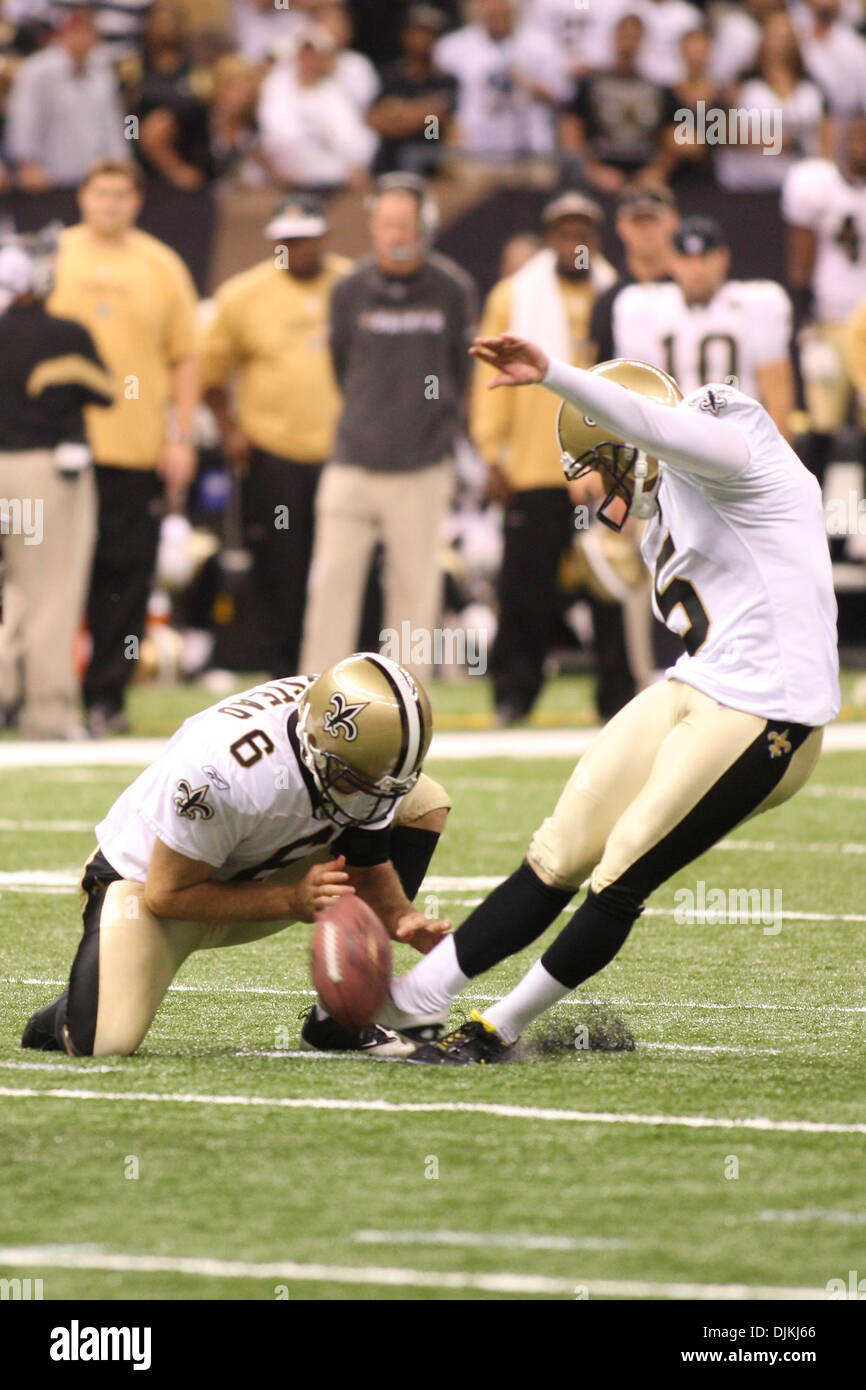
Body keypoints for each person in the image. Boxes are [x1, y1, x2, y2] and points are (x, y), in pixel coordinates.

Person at [373, 333, 838, 1063]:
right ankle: (412, 1000)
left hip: (771, 711)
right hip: (699, 684)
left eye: (602, 465)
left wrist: (555, 375)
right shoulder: (663, 521)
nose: (601, 490)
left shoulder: (736, 446)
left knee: (621, 867)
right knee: (559, 850)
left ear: (629, 438)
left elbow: (661, 426)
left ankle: (500, 1027)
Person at [21, 653, 453, 1058]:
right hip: (146, 887)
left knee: (423, 801)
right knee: (102, 1042)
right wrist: (290, 901)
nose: (366, 797)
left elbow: (366, 864)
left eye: (379, 785)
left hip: (256, 865)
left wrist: (400, 918)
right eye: (352, 780)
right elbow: (166, 894)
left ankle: (340, 1020)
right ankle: (81, 998)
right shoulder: (226, 771)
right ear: (314, 743)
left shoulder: (352, 751)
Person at [300, 174, 477, 683]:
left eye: (405, 224)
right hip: (352, 459)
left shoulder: (451, 289)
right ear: (373, 227)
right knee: (331, 587)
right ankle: (313, 700)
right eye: (386, 224)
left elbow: (457, 373)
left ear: (425, 226)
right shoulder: (349, 290)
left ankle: (404, 710)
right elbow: (342, 368)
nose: (395, 234)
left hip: (422, 466)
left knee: (414, 597)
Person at [49, 158, 199, 737]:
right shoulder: (52, 257)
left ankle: (106, 697)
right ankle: (39, 693)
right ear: (82, 196)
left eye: (121, 193)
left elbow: (185, 356)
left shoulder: (162, 265)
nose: (109, 203)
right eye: (99, 191)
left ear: (137, 201)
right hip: (56, 447)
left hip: (135, 449)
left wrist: (180, 436)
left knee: (123, 581)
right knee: (45, 579)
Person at [470, 191, 616, 724]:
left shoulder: (615, 293)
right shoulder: (514, 295)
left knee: (611, 586)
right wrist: (492, 453)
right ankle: (514, 694)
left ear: (595, 239)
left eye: (584, 232)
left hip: (603, 470)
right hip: (533, 465)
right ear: (551, 238)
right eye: (564, 232)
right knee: (524, 591)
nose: (574, 242)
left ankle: (617, 697)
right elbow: (489, 371)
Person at [201, 194, 352, 676]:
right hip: (274, 454)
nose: (296, 248)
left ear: (323, 237)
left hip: (347, 454)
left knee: (344, 570)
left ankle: (345, 669)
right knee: (279, 568)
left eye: (305, 239)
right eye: (287, 240)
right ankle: (283, 675)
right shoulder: (242, 295)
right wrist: (232, 431)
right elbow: (211, 374)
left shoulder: (352, 286)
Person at [0, 224, 114, 738]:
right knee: (49, 593)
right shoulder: (65, 334)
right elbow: (107, 389)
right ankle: (47, 711)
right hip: (44, 474)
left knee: (12, 592)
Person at [611, 215, 795, 439]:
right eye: (687, 259)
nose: (696, 269)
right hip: (672, 444)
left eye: (705, 258)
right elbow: (631, 394)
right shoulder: (639, 306)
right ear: (671, 260)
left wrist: (778, 463)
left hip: (740, 440)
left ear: (724, 258)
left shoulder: (758, 303)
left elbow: (777, 393)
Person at [782, 113, 866, 486]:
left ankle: (858, 531)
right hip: (830, 318)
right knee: (821, 426)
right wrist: (807, 328)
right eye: (857, 137)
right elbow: (801, 262)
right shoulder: (817, 184)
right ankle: (820, 532)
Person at [5, 4, 126, 191]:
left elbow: (122, 121)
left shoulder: (104, 72)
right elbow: (24, 118)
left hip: (94, 180)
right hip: (49, 178)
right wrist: (27, 162)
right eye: (78, 31)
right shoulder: (37, 70)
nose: (83, 38)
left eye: (89, 31)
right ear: (64, 33)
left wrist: (123, 159)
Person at [559, 11, 677, 195]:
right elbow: (570, 132)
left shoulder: (660, 90)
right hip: (599, 174)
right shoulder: (591, 85)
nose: (628, 43)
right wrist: (593, 171)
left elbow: (674, 137)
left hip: (646, 174)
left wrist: (658, 171)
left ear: (643, 42)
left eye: (634, 36)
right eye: (624, 35)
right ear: (613, 38)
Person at [433, 0, 569, 159]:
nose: (494, 11)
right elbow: (439, 96)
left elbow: (562, 95)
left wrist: (525, 83)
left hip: (531, 147)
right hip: (474, 148)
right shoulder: (453, 47)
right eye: (488, 6)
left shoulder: (540, 44)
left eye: (500, 7)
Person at [367, 4, 457, 175]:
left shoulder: (444, 80)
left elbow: (435, 118)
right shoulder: (390, 77)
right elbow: (375, 118)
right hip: (389, 164)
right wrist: (421, 112)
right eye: (416, 33)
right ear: (405, 36)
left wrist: (398, 110)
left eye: (427, 34)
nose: (420, 39)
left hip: (432, 166)